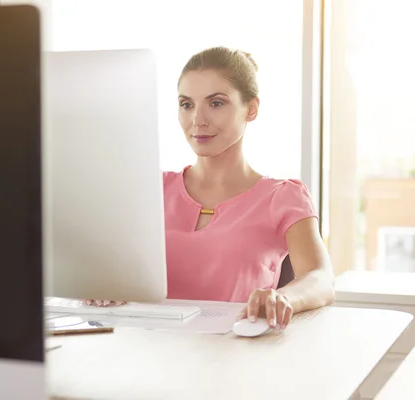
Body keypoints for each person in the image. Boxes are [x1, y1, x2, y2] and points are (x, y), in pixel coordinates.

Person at [88, 46, 335, 331]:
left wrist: (283, 297)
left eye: (216, 103)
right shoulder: (150, 189)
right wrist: (104, 285)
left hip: (235, 357)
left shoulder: (283, 197)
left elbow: (320, 277)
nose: (198, 120)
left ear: (251, 109)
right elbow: (111, 266)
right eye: (186, 104)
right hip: (143, 354)